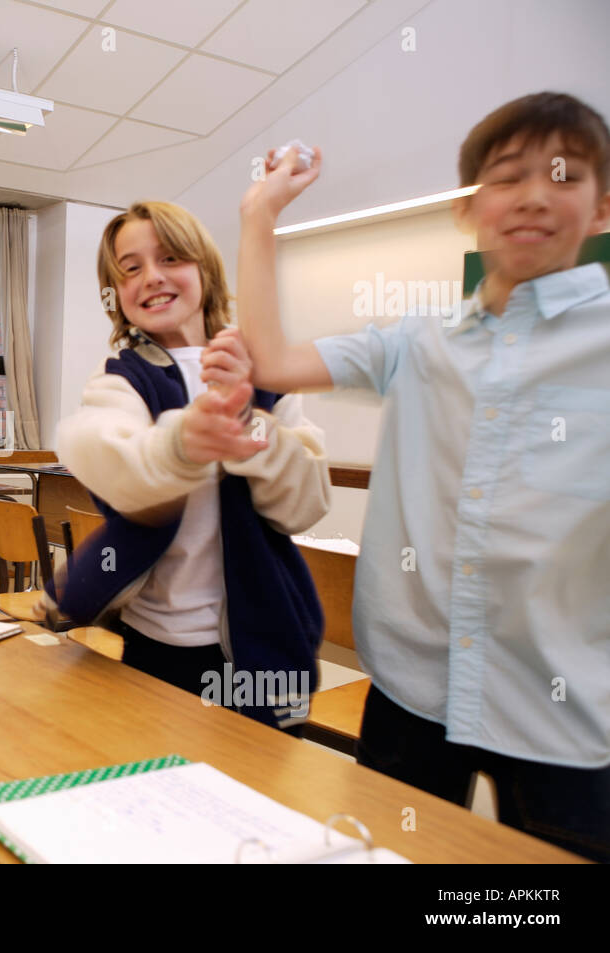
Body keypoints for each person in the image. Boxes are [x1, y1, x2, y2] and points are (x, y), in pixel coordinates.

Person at [235, 91, 610, 861]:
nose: (537, 193)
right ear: (468, 209)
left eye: (565, 176)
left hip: (570, 706)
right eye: (510, 175)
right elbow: (270, 359)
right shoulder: (416, 341)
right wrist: (258, 215)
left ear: (603, 207)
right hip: (414, 688)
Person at [54, 200, 331, 729]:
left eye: (171, 258)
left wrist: (252, 423)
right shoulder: (118, 378)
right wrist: (182, 444)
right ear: (115, 292)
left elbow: (305, 506)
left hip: (266, 642)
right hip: (158, 642)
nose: (151, 278)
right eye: (130, 268)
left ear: (204, 266)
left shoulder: (267, 366)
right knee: (155, 791)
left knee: (258, 797)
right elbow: (116, 470)